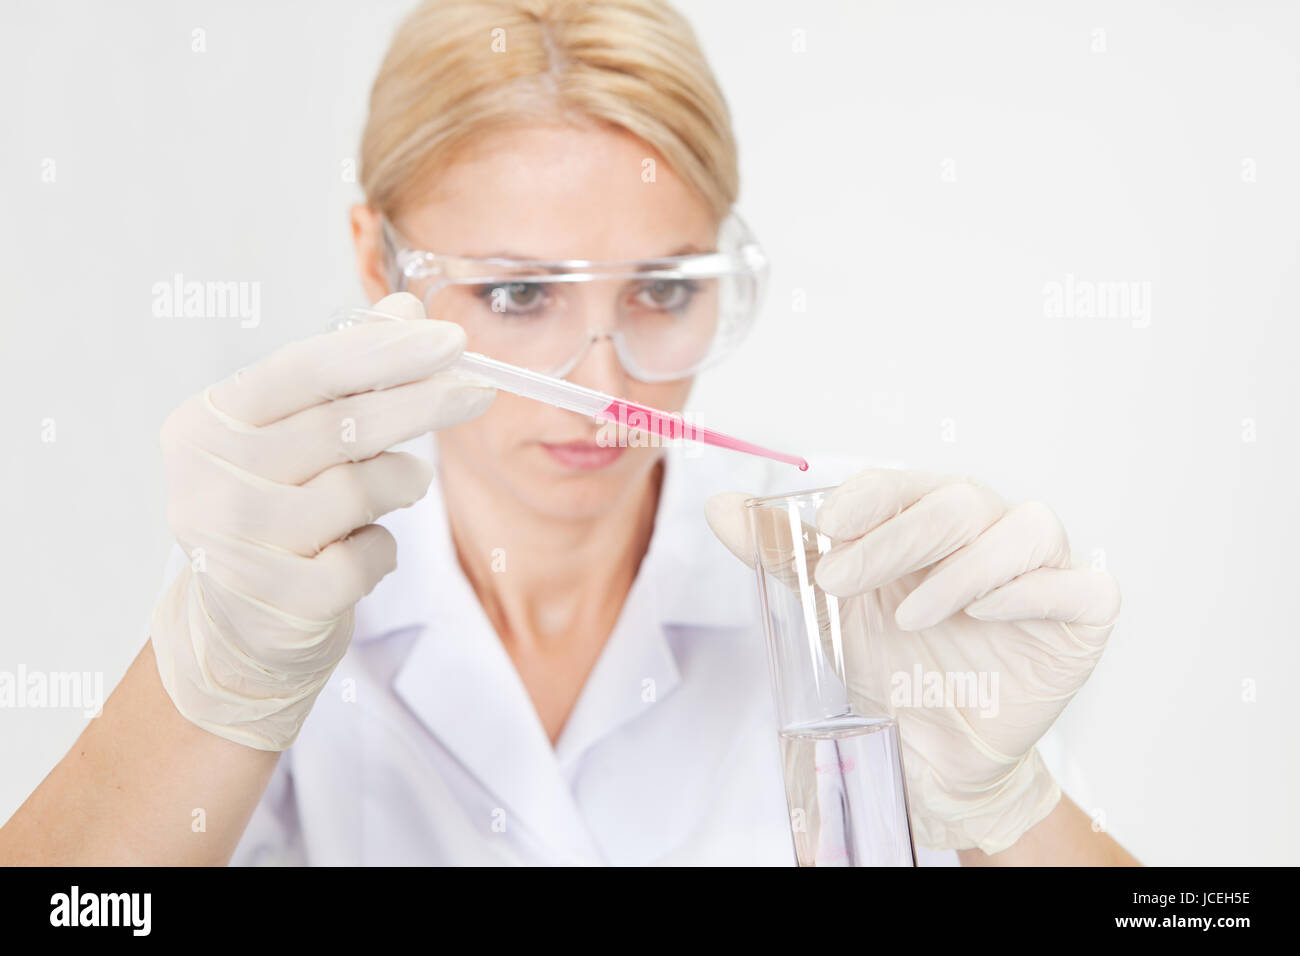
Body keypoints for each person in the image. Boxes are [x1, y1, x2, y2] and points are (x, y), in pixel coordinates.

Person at [0, 0, 1136, 866]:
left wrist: (1007, 804)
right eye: (519, 295)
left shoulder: (872, 576)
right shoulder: (279, 584)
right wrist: (213, 686)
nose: (603, 380)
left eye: (660, 291)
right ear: (375, 256)